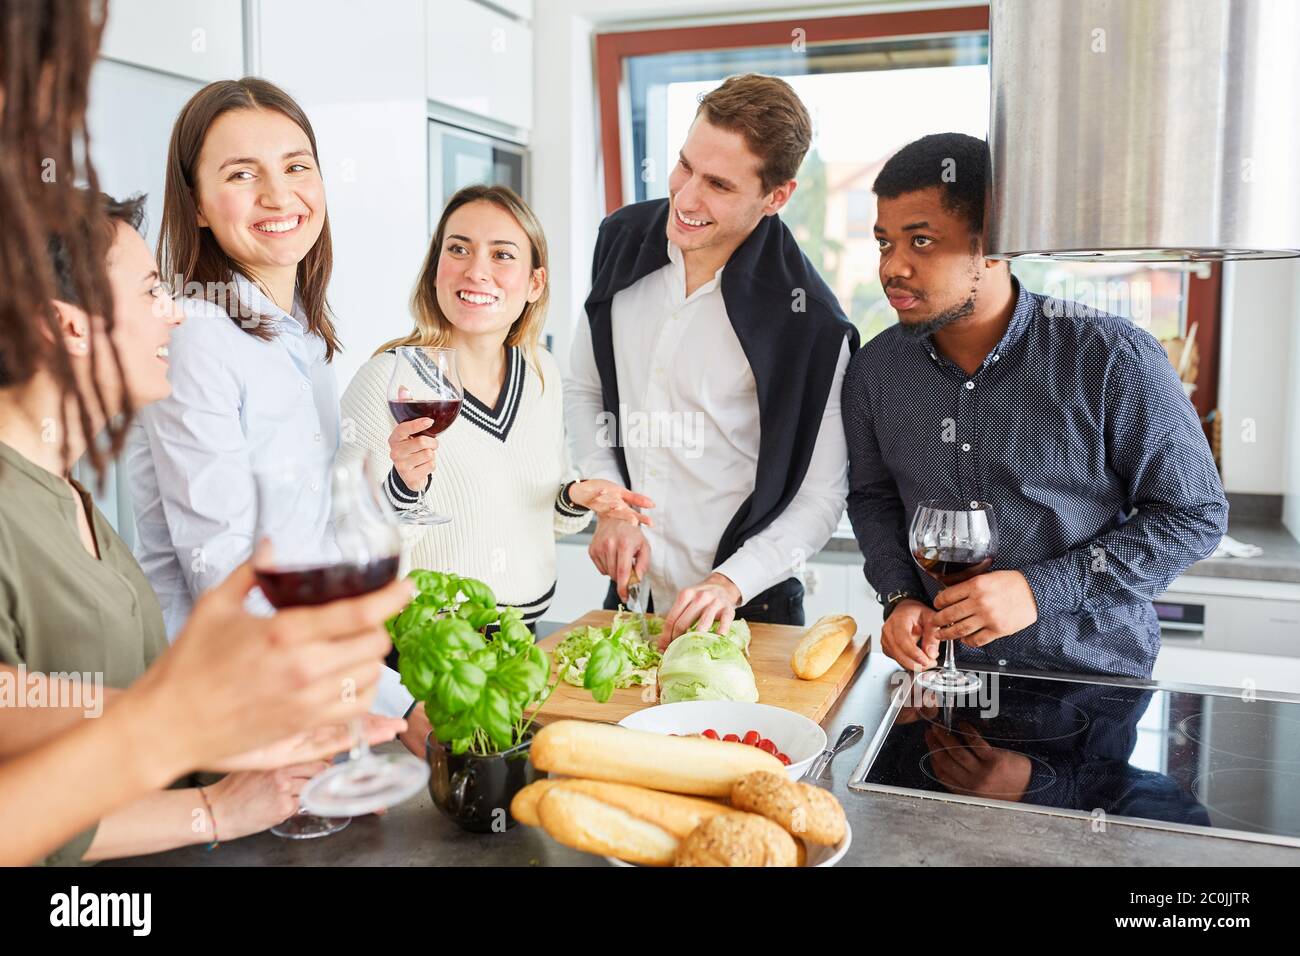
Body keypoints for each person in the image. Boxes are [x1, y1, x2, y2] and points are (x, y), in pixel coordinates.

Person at [0, 0, 406, 869]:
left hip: (219, 739)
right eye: (241, 173)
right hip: (226, 722)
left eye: (298, 165)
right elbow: (225, 561)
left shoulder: (298, 338)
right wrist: (322, 698)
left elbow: (312, 533)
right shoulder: (201, 335)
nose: (278, 193)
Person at [841, 133, 1228, 679]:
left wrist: (1039, 591)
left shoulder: (1112, 357)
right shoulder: (875, 371)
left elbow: (1194, 516)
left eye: (921, 241)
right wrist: (900, 595)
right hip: (936, 684)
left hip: (1088, 686)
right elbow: (873, 498)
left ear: (996, 244)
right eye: (885, 243)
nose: (892, 268)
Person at [567, 73, 859, 647]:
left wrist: (730, 583)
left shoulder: (814, 324)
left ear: (776, 197)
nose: (685, 198)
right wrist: (610, 502)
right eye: (684, 166)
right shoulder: (621, 240)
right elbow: (584, 391)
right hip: (633, 595)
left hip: (750, 607)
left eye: (719, 185)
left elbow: (822, 497)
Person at [341, 185, 649, 629]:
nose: (476, 271)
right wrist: (403, 488)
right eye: (458, 249)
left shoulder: (540, 370)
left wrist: (575, 495)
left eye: (502, 255)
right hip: (429, 649)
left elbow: (542, 519)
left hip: (524, 638)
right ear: (435, 271)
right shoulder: (388, 383)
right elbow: (346, 543)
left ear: (534, 283)